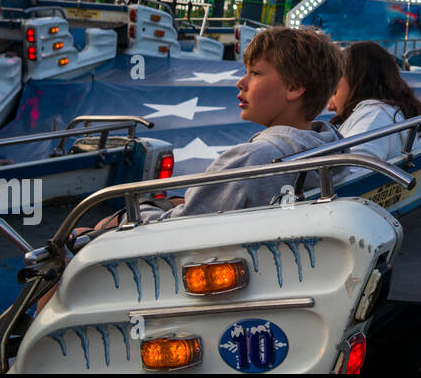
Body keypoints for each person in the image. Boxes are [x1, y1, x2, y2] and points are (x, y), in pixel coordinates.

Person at [90, 26, 343, 228]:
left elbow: (177, 228)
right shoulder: (334, 148)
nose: (240, 83)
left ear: (294, 88)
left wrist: (123, 217)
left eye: (255, 73)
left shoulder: (254, 160)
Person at [327, 41, 421, 162]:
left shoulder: (374, 119)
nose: (330, 107)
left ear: (358, 82)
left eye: (334, 92)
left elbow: (354, 173)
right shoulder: (390, 112)